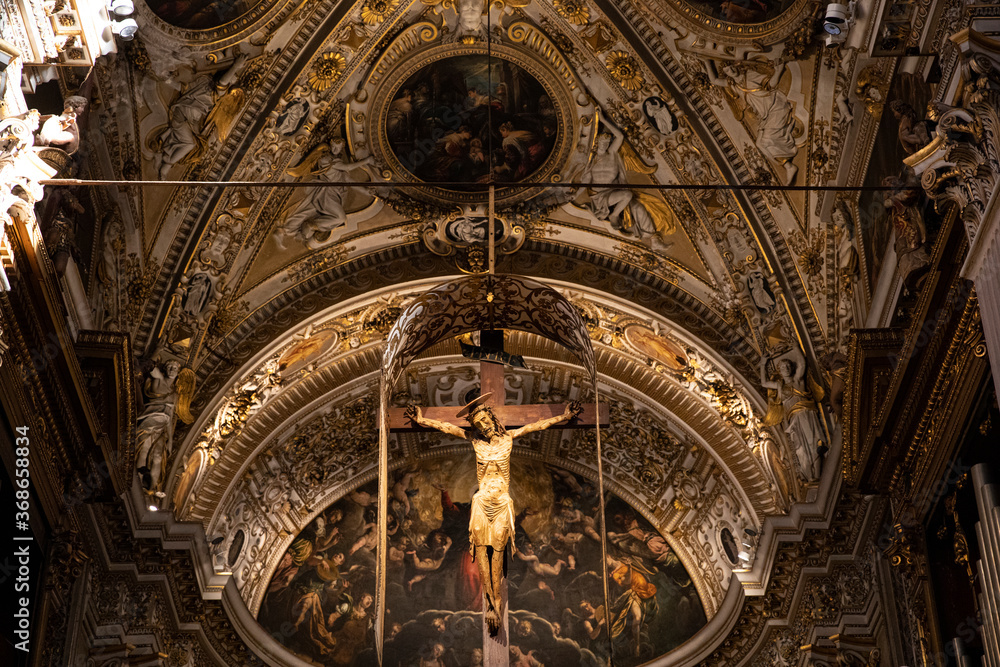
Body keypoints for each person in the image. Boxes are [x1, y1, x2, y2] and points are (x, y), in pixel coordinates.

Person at [405, 394, 583, 635]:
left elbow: (535, 425)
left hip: (501, 502)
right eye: (477, 423)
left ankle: (494, 601)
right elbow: (449, 428)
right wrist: (422, 419)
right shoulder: (476, 442)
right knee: (479, 550)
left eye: (485, 420)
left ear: (492, 418)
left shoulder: (508, 438)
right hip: (481, 502)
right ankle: (488, 603)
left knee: (496, 552)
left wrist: (564, 416)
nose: (483, 426)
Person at [276, 139, 375, 249]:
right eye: (333, 146)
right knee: (340, 218)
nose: (334, 150)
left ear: (342, 148)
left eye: (337, 148)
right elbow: (348, 167)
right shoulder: (326, 159)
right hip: (326, 195)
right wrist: (367, 161)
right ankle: (311, 225)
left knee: (307, 212)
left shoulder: (337, 162)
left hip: (334, 195)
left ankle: (299, 227)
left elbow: (349, 180)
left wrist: (366, 191)